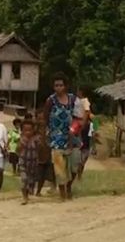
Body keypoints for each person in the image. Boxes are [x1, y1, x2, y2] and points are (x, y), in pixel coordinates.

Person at [44, 73, 84, 201]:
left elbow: (79, 118)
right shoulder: (50, 101)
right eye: (56, 85)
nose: (58, 88)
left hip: (73, 139)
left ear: (65, 86)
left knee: (74, 166)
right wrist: (47, 135)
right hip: (56, 139)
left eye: (61, 85)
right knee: (59, 170)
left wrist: (75, 130)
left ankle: (69, 186)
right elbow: (45, 118)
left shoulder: (73, 100)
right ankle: (62, 194)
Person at [18, 120, 39, 205]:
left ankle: (29, 191)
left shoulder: (36, 139)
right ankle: (24, 197)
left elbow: (39, 149)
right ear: (22, 131)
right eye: (25, 130)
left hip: (33, 164)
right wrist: (21, 145)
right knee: (24, 179)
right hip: (23, 163)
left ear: (33, 130)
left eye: (29, 130)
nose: (28, 132)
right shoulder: (21, 139)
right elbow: (17, 150)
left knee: (31, 181)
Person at [35, 110, 55, 196]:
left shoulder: (50, 130)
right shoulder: (35, 133)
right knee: (40, 175)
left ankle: (53, 188)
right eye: (39, 118)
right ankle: (37, 191)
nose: (41, 121)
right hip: (39, 157)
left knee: (50, 174)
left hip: (49, 155)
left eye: (43, 118)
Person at [76, 87, 92, 181]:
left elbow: (87, 112)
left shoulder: (84, 101)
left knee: (83, 155)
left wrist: (83, 122)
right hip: (80, 126)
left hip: (83, 129)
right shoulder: (77, 101)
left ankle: (79, 175)